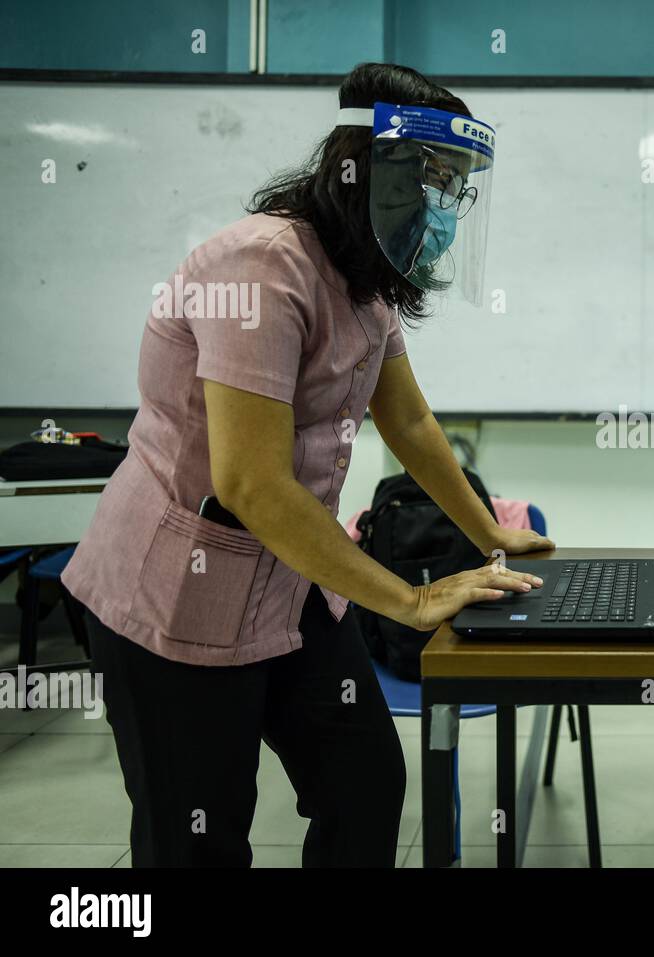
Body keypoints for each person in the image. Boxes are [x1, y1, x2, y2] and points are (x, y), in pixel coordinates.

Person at [61, 63, 549, 867]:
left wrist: (494, 533)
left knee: (364, 786)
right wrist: (412, 599)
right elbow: (249, 483)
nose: (444, 207)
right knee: (199, 840)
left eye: (456, 188)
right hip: (176, 596)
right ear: (367, 165)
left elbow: (412, 421)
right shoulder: (260, 267)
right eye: (434, 179)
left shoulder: (366, 281)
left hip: (290, 586)